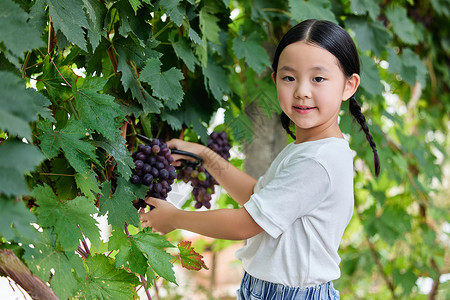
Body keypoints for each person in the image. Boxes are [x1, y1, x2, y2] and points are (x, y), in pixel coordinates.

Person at [139, 19, 380, 300]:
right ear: (275, 78)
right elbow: (258, 196)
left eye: (318, 78)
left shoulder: (318, 161)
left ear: (349, 85)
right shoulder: (309, 148)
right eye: (289, 77)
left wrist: (176, 218)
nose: (302, 91)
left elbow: (246, 223)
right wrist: (205, 156)